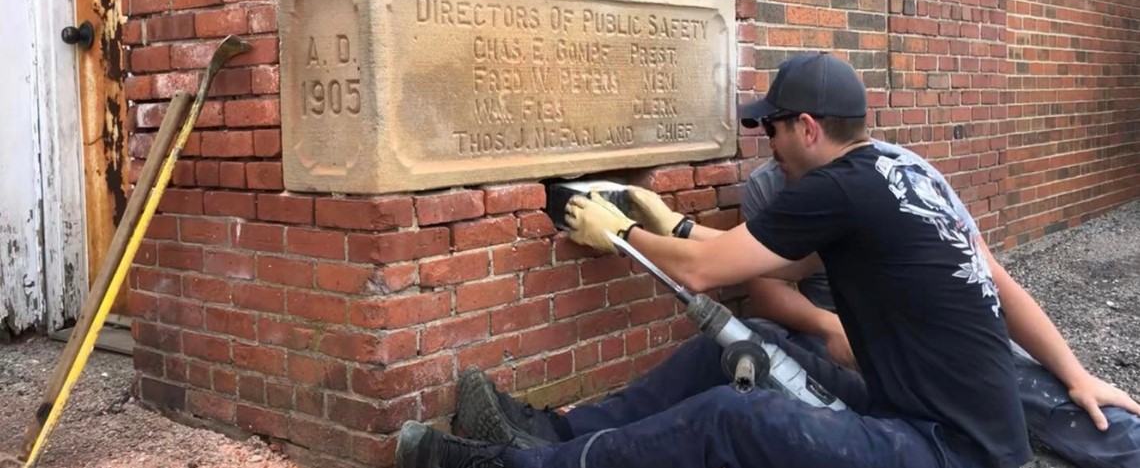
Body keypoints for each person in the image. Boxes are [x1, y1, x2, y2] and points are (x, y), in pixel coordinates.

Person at [394, 52, 1140, 468]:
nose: (767, 145)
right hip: (919, 416)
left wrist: (616, 231)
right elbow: (997, 280)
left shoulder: (836, 188)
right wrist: (1076, 377)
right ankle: (551, 431)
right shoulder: (907, 173)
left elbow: (700, 274)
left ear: (808, 126)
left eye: (773, 129)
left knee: (729, 418)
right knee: (748, 349)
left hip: (946, 453)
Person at [742, 147, 1140, 468]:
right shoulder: (772, 184)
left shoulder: (906, 173)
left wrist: (1076, 375)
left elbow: (990, 278)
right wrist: (829, 327)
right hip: (840, 338)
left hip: (929, 331)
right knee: (759, 341)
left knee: (1030, 386)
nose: (773, 137)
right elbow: (764, 289)